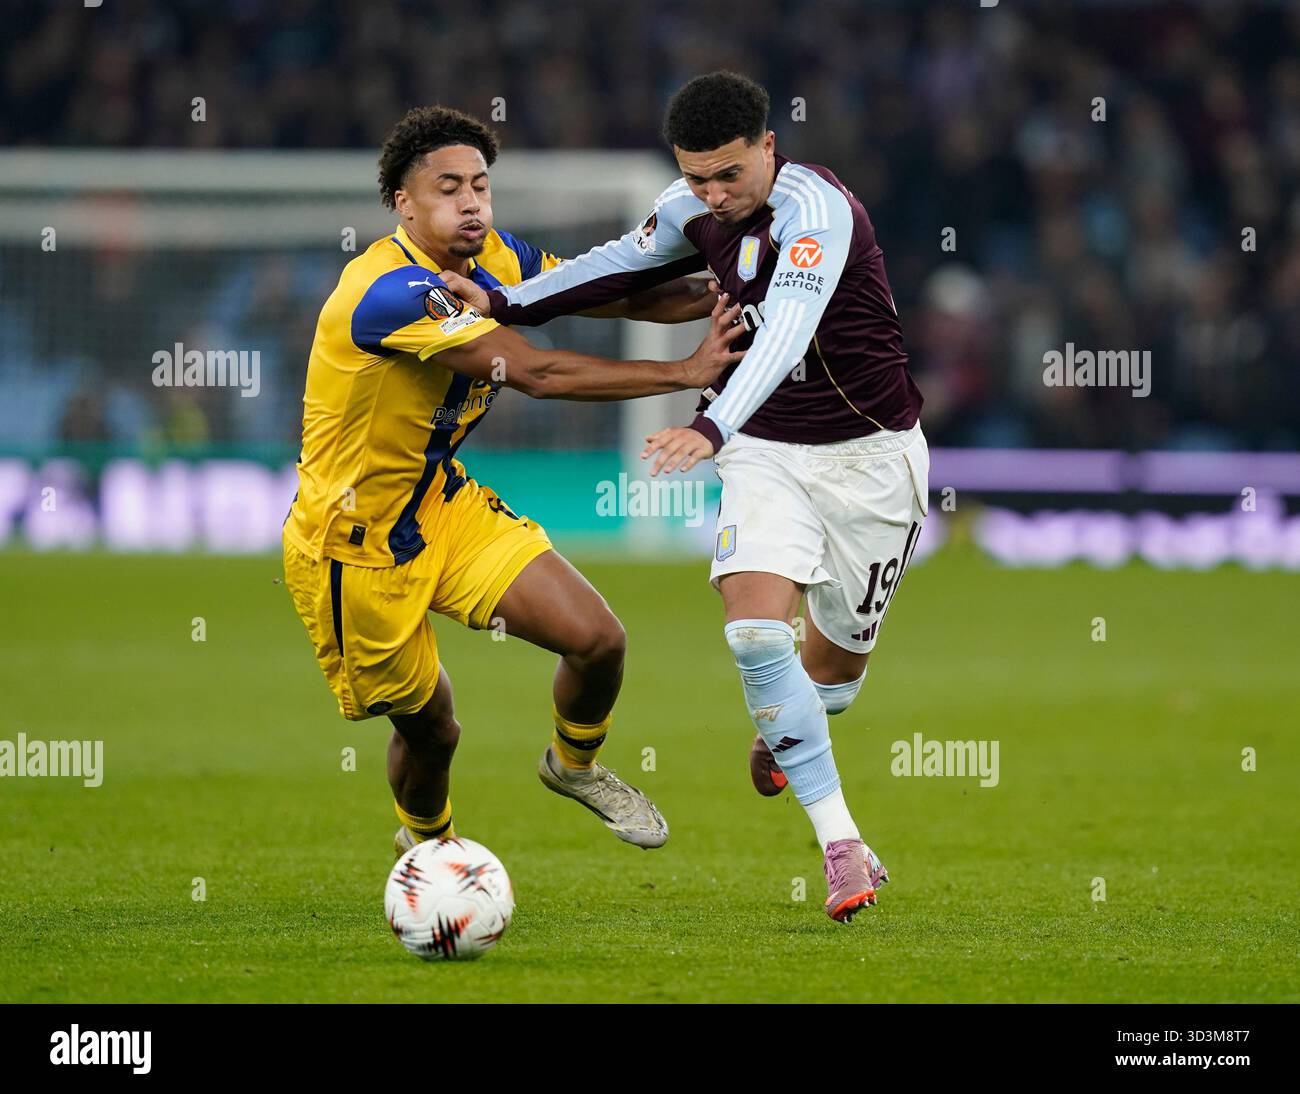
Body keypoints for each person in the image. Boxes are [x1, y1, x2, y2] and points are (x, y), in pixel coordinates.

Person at [440, 73, 929, 922]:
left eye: (729, 175)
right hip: (766, 450)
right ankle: (844, 847)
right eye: (697, 177)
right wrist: (509, 301)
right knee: (751, 635)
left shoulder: (819, 216)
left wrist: (705, 427)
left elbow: (782, 335)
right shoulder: (690, 205)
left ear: (770, 148)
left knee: (835, 675)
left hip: (872, 461)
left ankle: (792, 727)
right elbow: (616, 265)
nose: (712, 194)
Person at [282, 105, 742, 860]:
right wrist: (685, 372)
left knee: (598, 640)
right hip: (354, 546)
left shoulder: (496, 257)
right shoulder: (389, 292)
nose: (470, 203)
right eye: (447, 189)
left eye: (480, 186)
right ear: (403, 201)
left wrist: (735, 288)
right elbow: (534, 370)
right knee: (434, 730)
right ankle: (432, 849)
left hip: (440, 503)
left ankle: (574, 765)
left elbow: (610, 293)